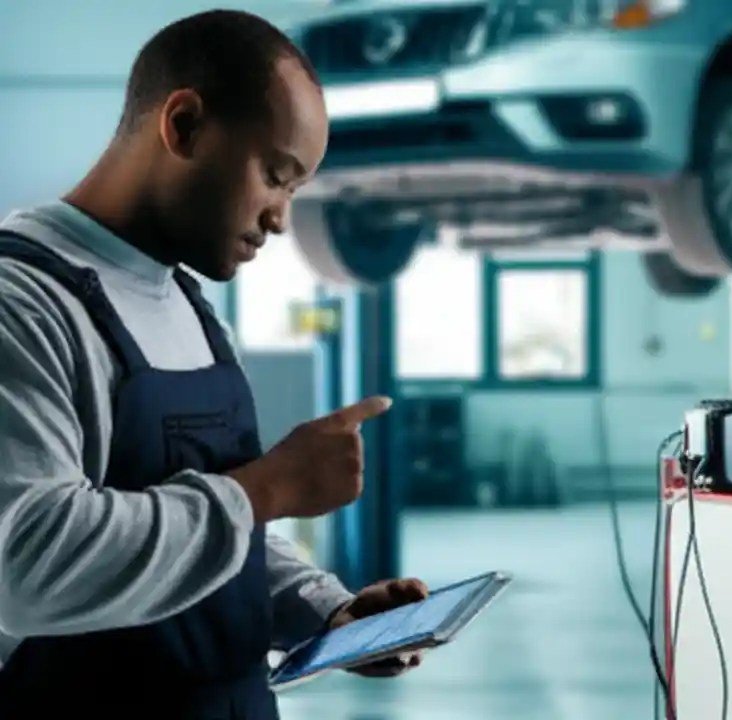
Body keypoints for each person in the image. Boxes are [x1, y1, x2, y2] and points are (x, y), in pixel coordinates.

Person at [0, 10, 429, 717]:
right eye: (275, 176)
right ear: (185, 124)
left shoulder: (195, 312)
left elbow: (221, 540)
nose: (282, 220)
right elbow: (28, 565)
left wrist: (327, 612)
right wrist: (266, 488)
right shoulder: (25, 303)